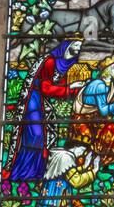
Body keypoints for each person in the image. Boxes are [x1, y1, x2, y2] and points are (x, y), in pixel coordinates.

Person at [6, 38, 83, 181]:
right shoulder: (50, 61)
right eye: (76, 45)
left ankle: (37, 173)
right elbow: (45, 88)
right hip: (33, 99)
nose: (78, 49)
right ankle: (23, 173)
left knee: (42, 137)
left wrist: (74, 90)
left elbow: (57, 88)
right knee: (36, 135)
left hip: (42, 100)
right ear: (67, 46)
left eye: (80, 46)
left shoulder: (68, 63)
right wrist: (70, 88)